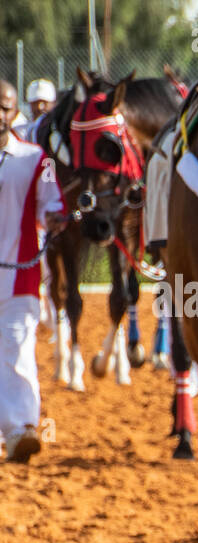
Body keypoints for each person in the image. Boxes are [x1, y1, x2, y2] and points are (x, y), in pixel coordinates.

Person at [0, 80, 66, 462]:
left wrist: (56, 218)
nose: (0, 114)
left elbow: (50, 201)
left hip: (20, 277)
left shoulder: (36, 159)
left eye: (6, 108)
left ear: (15, 113)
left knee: (19, 349)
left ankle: (22, 429)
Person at [12, 78, 55, 143]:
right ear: (30, 103)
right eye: (35, 103)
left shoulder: (58, 130)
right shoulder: (18, 131)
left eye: (44, 102)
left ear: (53, 103)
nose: (40, 107)